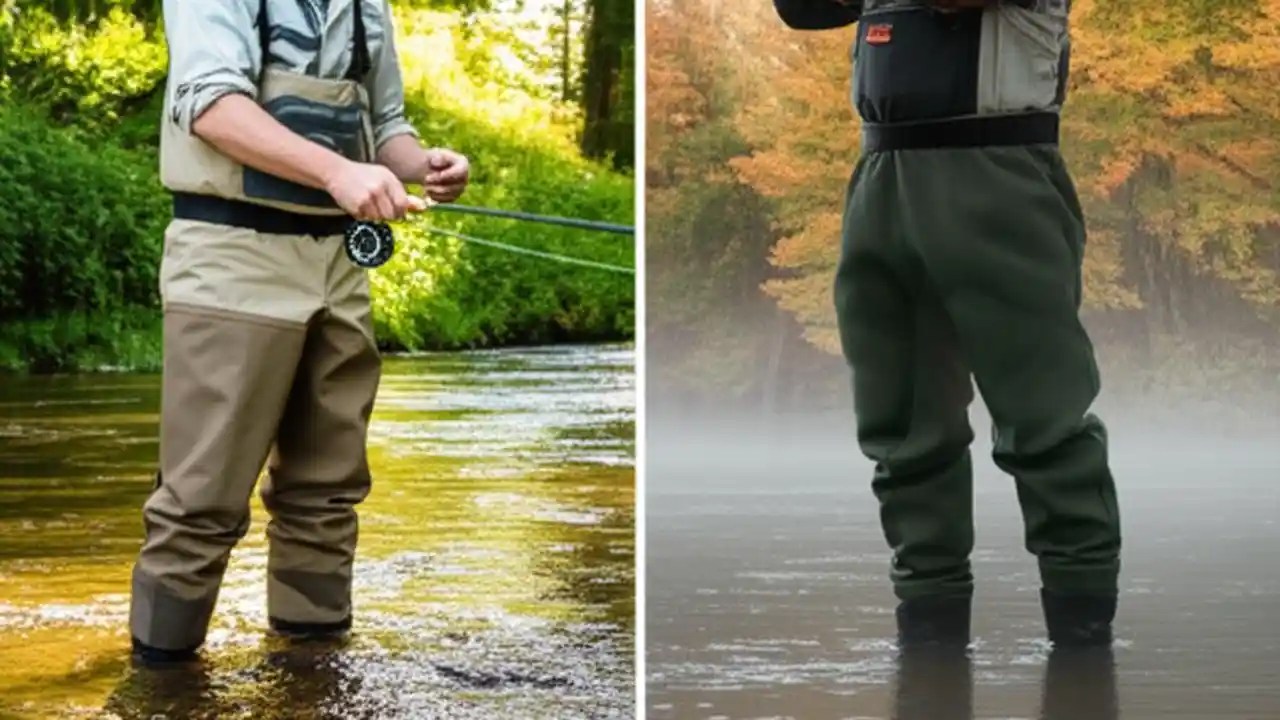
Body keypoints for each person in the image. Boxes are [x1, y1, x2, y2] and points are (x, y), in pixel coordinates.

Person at [129, 0, 470, 665]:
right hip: (232, 254)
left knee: (326, 494)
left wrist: (419, 164)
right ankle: (157, 684)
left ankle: (311, 672)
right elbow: (209, 105)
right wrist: (338, 173)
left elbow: (386, 124)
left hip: (338, 266)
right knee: (200, 503)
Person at [771, 0, 1121, 648]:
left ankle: (1083, 639)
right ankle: (929, 640)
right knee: (900, 424)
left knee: (1042, 416)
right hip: (882, 173)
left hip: (1000, 170)